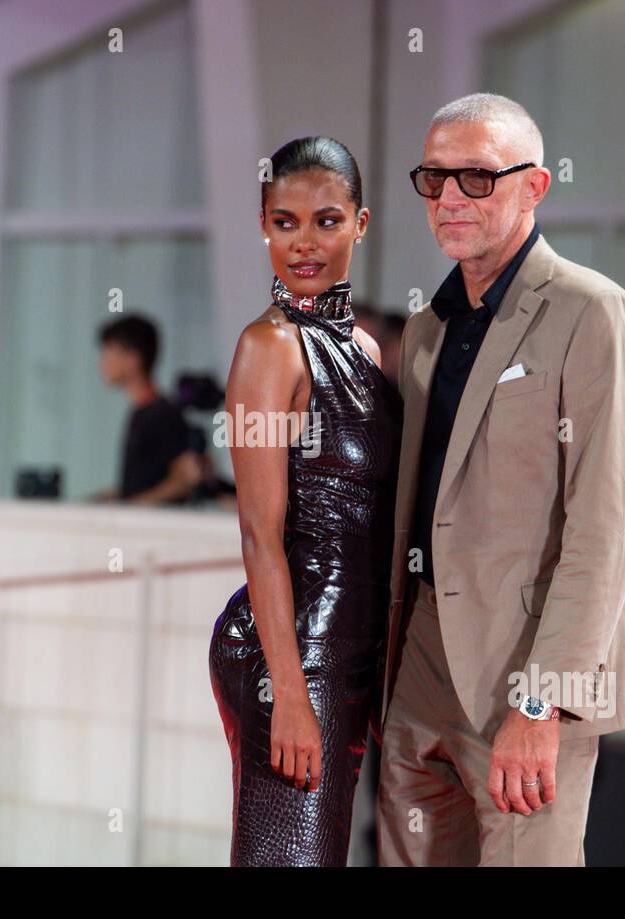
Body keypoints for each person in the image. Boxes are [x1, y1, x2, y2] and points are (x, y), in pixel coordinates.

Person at [375, 93, 625, 866]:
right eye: (435, 179)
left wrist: (543, 703)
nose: (451, 199)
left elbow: (606, 528)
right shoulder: (428, 328)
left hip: (529, 669)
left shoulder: (594, 312)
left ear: (533, 187)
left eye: (476, 177)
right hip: (422, 661)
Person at [208, 136, 402, 866]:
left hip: (351, 660)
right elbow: (260, 535)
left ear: (361, 222)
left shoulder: (366, 349)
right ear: (263, 225)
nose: (303, 243)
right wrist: (288, 692)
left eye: (326, 220)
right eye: (283, 222)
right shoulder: (269, 348)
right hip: (290, 660)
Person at [92, 314, 202, 505]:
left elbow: (184, 481)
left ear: (133, 359)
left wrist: (130, 509)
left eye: (110, 352)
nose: (102, 363)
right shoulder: (140, 412)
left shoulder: (162, 415)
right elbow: (141, 484)